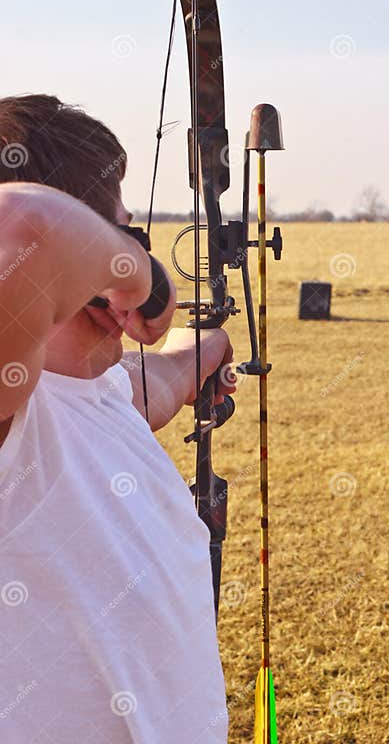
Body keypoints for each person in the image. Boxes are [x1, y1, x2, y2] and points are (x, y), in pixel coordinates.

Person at [0, 94, 233, 743]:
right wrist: (146, 280)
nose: (135, 247)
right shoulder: (17, 419)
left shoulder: (104, 393)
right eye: (125, 234)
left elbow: (155, 380)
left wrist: (206, 350)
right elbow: (22, 220)